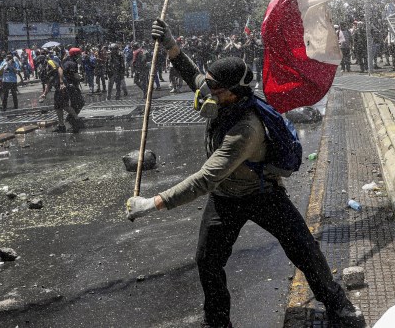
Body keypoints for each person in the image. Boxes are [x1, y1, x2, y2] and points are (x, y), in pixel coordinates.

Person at [126, 19, 364, 328]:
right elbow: (192, 75)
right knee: (208, 262)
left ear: (232, 93)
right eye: (208, 84)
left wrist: (154, 203)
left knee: (304, 250)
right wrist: (171, 46)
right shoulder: (220, 96)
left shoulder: (245, 129)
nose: (204, 90)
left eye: (213, 87)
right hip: (225, 198)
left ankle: (338, 305)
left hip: (261, 194)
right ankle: (217, 322)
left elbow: (206, 178)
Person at [51, 48, 85, 133]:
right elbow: (72, 74)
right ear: (75, 55)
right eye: (79, 54)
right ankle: (73, 120)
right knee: (78, 103)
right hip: (68, 86)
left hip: (64, 86)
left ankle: (64, 124)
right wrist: (80, 78)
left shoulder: (66, 61)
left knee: (61, 105)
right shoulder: (71, 63)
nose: (80, 56)